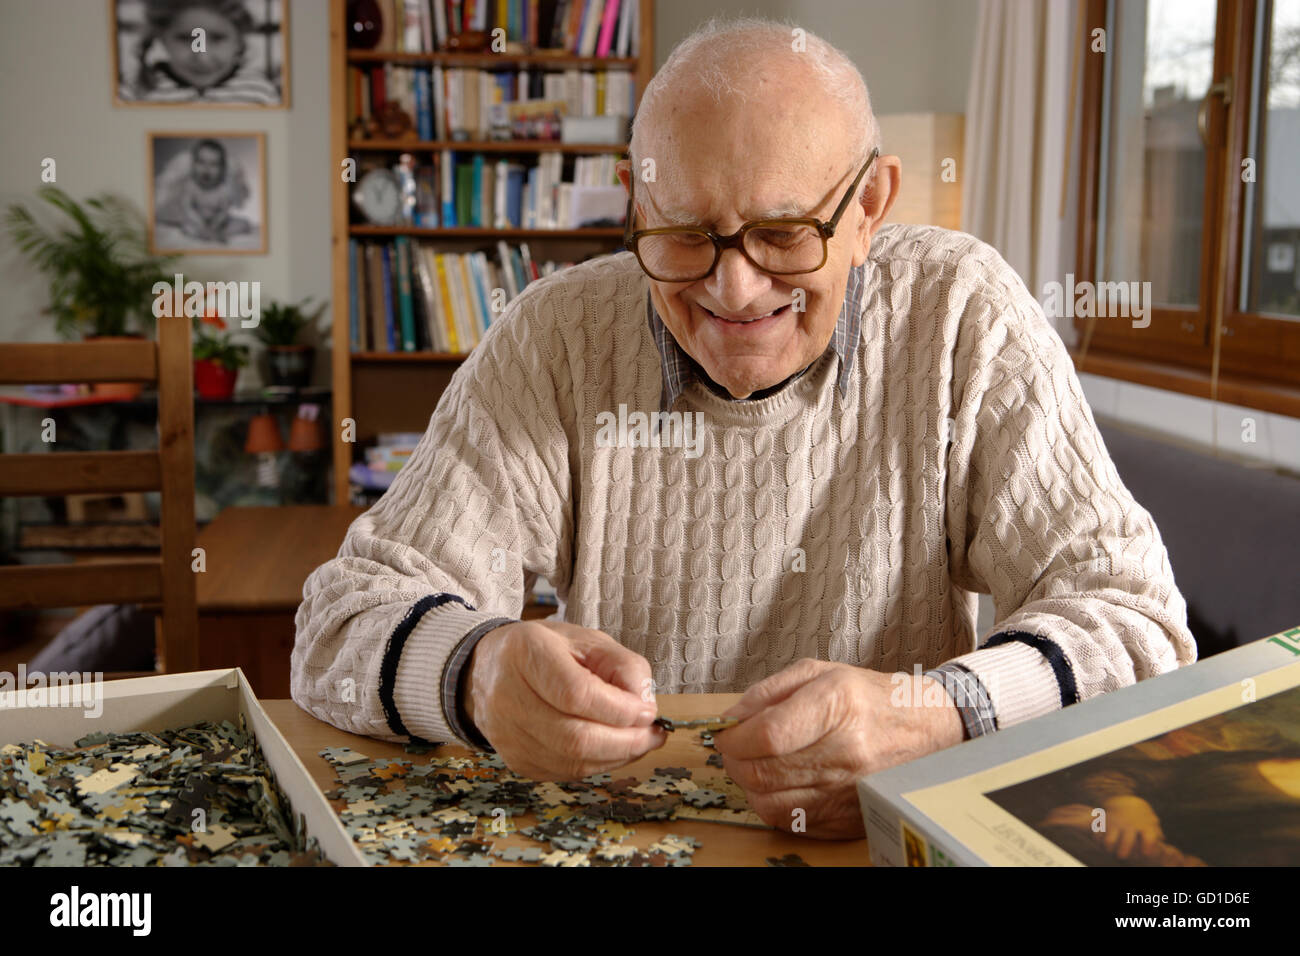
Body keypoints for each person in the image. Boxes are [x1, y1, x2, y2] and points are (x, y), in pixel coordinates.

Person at [292, 18, 1196, 839]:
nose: (735, 290)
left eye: (785, 233)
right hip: (622, 844)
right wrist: (477, 675)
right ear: (638, 204)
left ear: (871, 206)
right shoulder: (554, 337)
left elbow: (1138, 623)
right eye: (686, 234)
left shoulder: (963, 316)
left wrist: (938, 713)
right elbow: (337, 625)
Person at [119, 0, 281, 105]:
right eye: (185, 38)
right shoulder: (134, 92)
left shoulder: (260, 92)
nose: (202, 56)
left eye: (217, 38)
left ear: (239, 40)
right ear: (162, 38)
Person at [154, 139, 253, 244]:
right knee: (188, 228)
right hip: (196, 221)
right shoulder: (191, 186)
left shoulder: (223, 189)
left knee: (243, 225)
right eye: (201, 162)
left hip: (219, 223)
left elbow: (223, 212)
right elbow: (188, 208)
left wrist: (215, 225)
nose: (207, 169)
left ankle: (217, 234)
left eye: (214, 164)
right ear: (193, 165)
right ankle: (207, 235)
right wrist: (200, 225)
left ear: (223, 169)